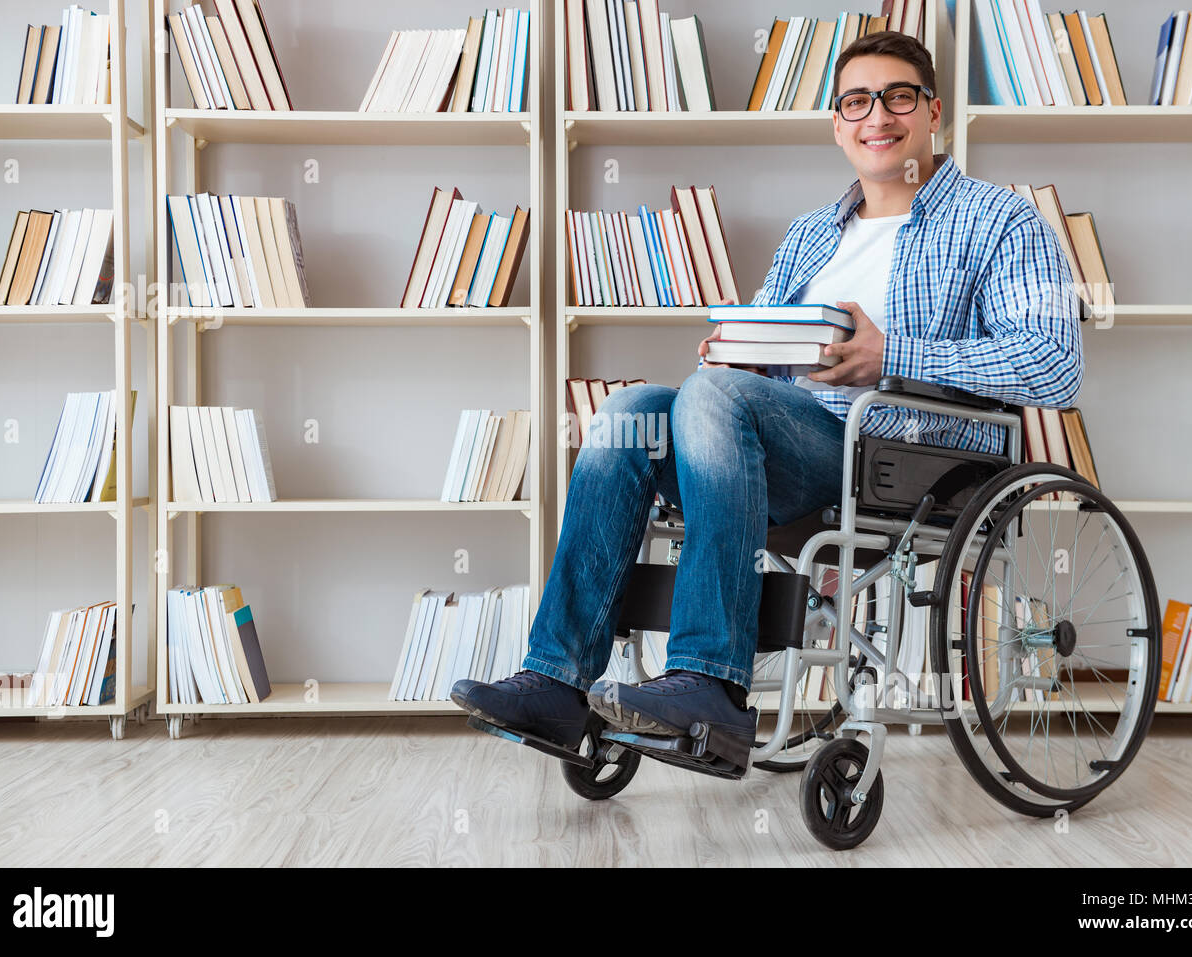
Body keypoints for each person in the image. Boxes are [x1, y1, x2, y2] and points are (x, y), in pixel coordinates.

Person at [451, 30, 1084, 754]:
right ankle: (557, 684)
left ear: (933, 112)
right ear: (837, 125)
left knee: (713, 398)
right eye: (857, 101)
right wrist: (736, 354)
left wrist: (890, 356)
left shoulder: (1001, 221)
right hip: (783, 447)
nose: (877, 115)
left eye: (898, 96)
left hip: (905, 458)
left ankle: (709, 681)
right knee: (629, 412)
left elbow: (1054, 364)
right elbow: (752, 365)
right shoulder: (812, 233)